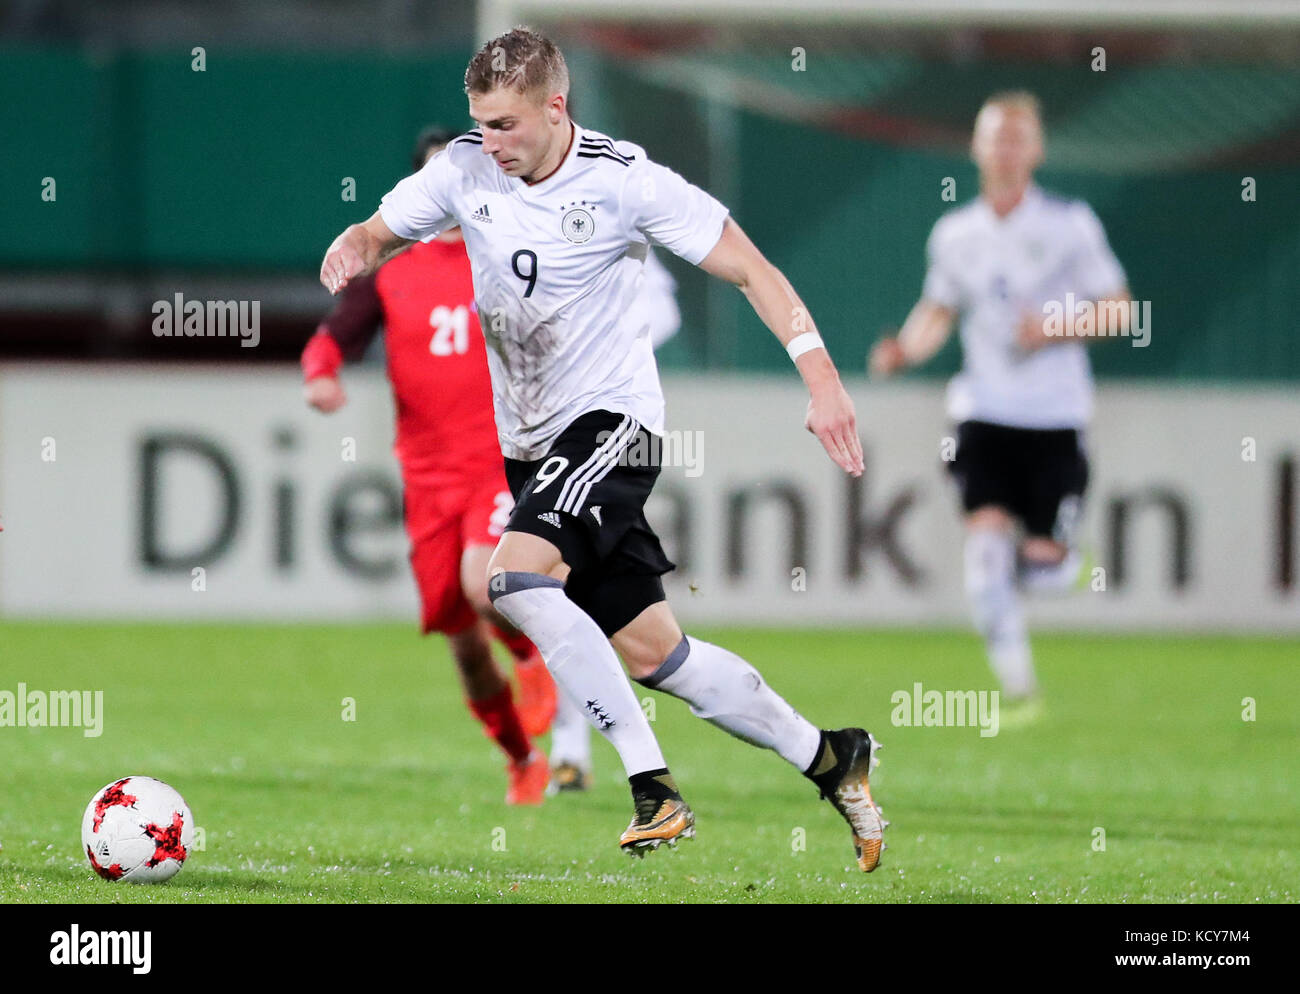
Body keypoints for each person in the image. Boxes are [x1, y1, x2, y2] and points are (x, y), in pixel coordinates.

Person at [320, 27, 886, 871]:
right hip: (532, 446)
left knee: (512, 578)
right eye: (481, 122)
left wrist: (825, 380)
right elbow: (381, 229)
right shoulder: (466, 165)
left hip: (611, 427)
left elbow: (753, 271)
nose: (491, 141)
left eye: (508, 124)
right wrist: (355, 246)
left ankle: (650, 785)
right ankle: (832, 756)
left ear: (557, 107)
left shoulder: (628, 182)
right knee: (661, 655)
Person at [302, 126, 557, 805]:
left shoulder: (507, 258)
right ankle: (521, 758)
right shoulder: (392, 276)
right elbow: (333, 337)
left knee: (485, 586)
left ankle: (534, 656)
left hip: (498, 464)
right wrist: (321, 375)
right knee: (464, 645)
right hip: (427, 479)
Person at [871, 92, 1130, 715]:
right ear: (977, 148)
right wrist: (906, 351)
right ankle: (1020, 689)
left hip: (1055, 417)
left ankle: (1048, 562)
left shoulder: (1071, 224)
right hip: (983, 412)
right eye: (995, 137)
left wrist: (1056, 326)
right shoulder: (956, 234)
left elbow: (1119, 308)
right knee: (985, 552)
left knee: (1045, 568)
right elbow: (938, 310)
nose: (1006, 148)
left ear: (1036, 150)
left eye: (1018, 138)